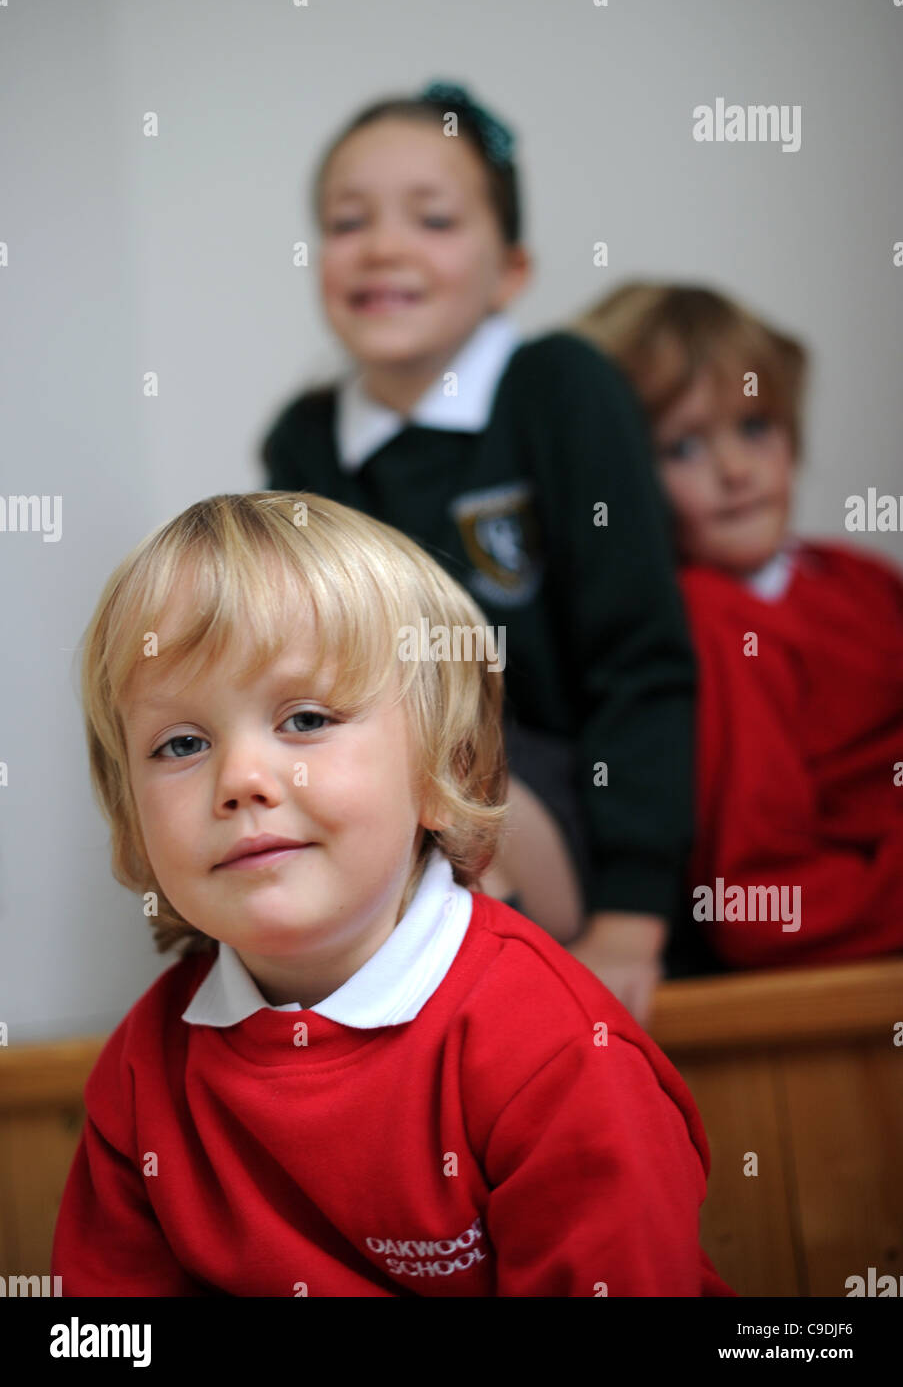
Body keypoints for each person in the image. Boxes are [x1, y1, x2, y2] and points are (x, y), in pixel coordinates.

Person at [50, 492, 733, 1297]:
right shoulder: (142, 1070)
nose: (240, 780)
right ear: (132, 821)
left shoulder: (550, 1052)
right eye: (183, 743)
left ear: (445, 770)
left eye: (305, 719)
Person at [259, 81, 696, 1026]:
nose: (382, 244)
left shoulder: (559, 388)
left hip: (563, 789)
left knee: (451, 810)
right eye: (346, 220)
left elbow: (641, 659)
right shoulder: (303, 441)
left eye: (434, 217)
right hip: (388, 780)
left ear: (510, 271)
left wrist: (632, 913)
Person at [572, 283, 903, 970]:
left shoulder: (857, 577)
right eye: (683, 448)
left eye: (754, 427)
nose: (734, 470)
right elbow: (756, 902)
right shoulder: (703, 620)